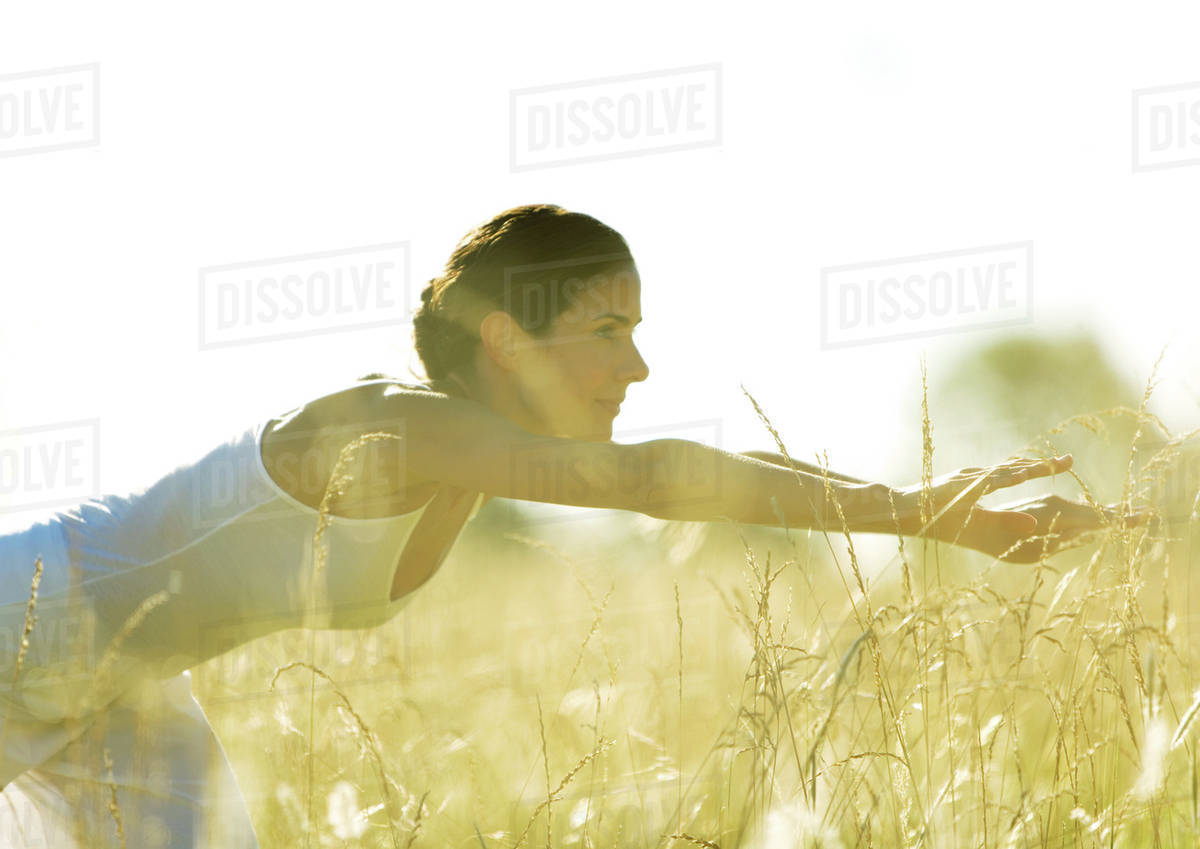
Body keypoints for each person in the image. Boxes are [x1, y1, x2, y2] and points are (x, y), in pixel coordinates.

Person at [0, 203, 1140, 847]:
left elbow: (699, 465)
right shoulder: (400, 425)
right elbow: (655, 481)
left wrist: (923, 512)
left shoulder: (478, 450)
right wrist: (919, 515)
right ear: (508, 339)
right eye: (608, 328)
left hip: (124, 695)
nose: (637, 363)